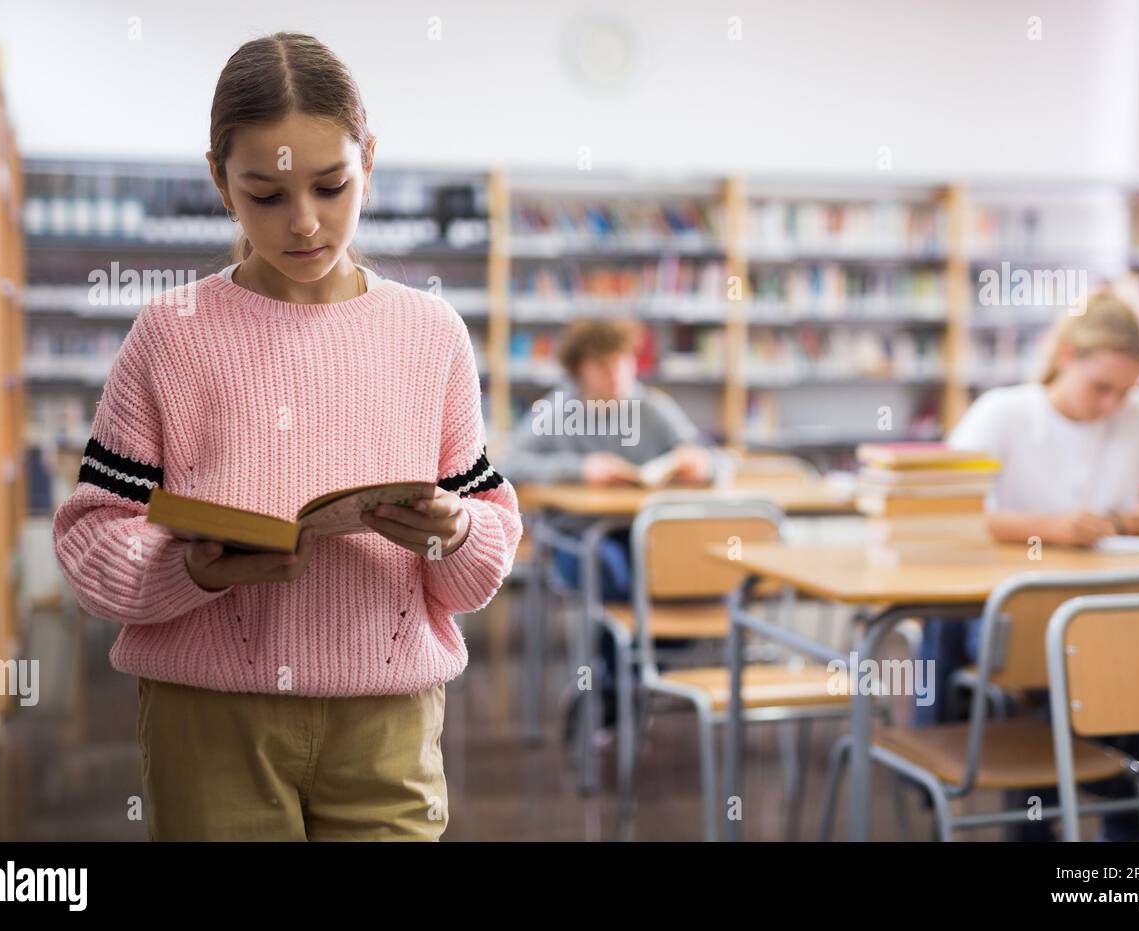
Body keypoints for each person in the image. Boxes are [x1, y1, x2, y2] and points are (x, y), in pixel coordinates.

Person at [52, 33, 522, 841]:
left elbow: (484, 547)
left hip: (390, 719)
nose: (304, 223)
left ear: (368, 159)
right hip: (210, 721)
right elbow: (92, 544)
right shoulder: (172, 332)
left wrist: (455, 531)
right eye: (265, 194)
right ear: (219, 182)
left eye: (331, 186)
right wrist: (189, 568)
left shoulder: (431, 333)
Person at [916, 287, 1139, 840]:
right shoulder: (1003, 413)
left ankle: (1120, 813)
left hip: (1112, 615)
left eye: (1130, 390)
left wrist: (1117, 524)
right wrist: (1048, 528)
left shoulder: (1137, 415)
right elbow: (942, 513)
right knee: (1055, 683)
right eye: (1103, 388)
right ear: (1067, 357)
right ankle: (1048, 820)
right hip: (1018, 623)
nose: (1114, 405)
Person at [499, 318, 718, 738]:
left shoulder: (652, 408)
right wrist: (579, 468)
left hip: (650, 540)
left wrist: (700, 464)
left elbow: (712, 457)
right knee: (619, 577)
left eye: (624, 364)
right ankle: (622, 685)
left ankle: (617, 683)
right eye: (603, 366)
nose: (617, 376)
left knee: (691, 583)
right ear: (579, 369)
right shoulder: (558, 410)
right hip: (581, 538)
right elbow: (508, 465)